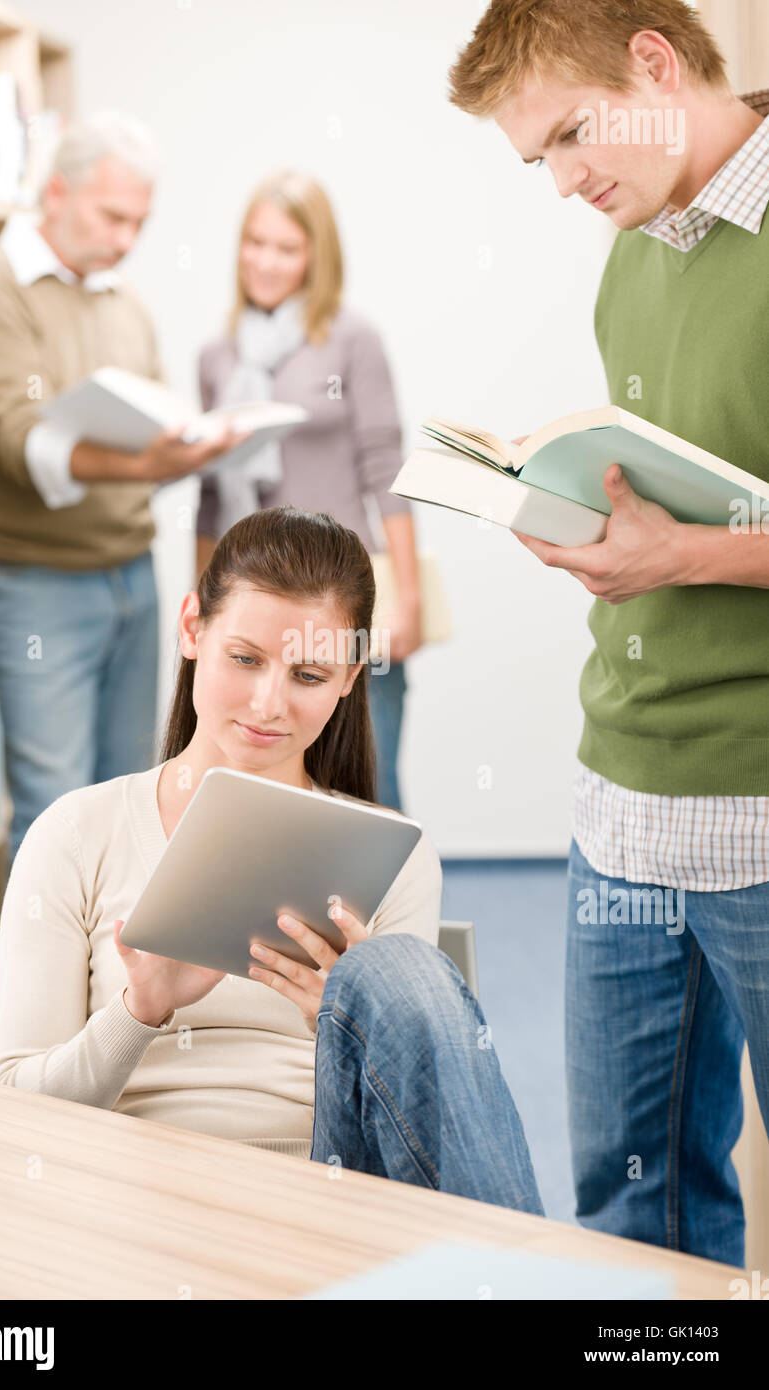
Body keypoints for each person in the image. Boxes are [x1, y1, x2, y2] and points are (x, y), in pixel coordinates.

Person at [448, 0, 769, 1266]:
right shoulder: (632, 252)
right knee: (627, 1205)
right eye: (538, 159)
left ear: (651, 62)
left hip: (756, 799)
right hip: (623, 804)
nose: (564, 179)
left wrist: (677, 557)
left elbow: (696, 538)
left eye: (572, 134)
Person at [0, 506, 543, 1213]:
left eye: (308, 675)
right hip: (128, 1184)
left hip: (322, 1186)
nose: (267, 703)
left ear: (348, 679)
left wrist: (351, 1022)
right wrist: (140, 1011)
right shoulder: (75, 834)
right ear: (192, 630)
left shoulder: (392, 856)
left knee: (403, 978)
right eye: (244, 659)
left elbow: (420, 1120)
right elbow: (7, 1111)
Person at [0, 110, 241, 863]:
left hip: (132, 578)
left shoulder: (121, 299)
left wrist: (189, 447)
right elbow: (17, 439)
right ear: (58, 193)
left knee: (131, 802)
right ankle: (49, 987)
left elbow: (157, 416)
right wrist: (140, 466)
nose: (126, 240)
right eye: (112, 216)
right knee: (52, 813)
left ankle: (116, 985)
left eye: (140, 222)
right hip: (36, 580)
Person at [194, 169, 422, 812]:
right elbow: (211, 495)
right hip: (253, 605)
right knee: (257, 790)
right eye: (254, 243)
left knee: (365, 788)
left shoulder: (352, 339)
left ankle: (389, 915)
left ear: (317, 257)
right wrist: (207, 609)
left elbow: (386, 467)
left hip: (339, 593)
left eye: (286, 248)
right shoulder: (218, 354)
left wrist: (407, 600)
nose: (265, 262)